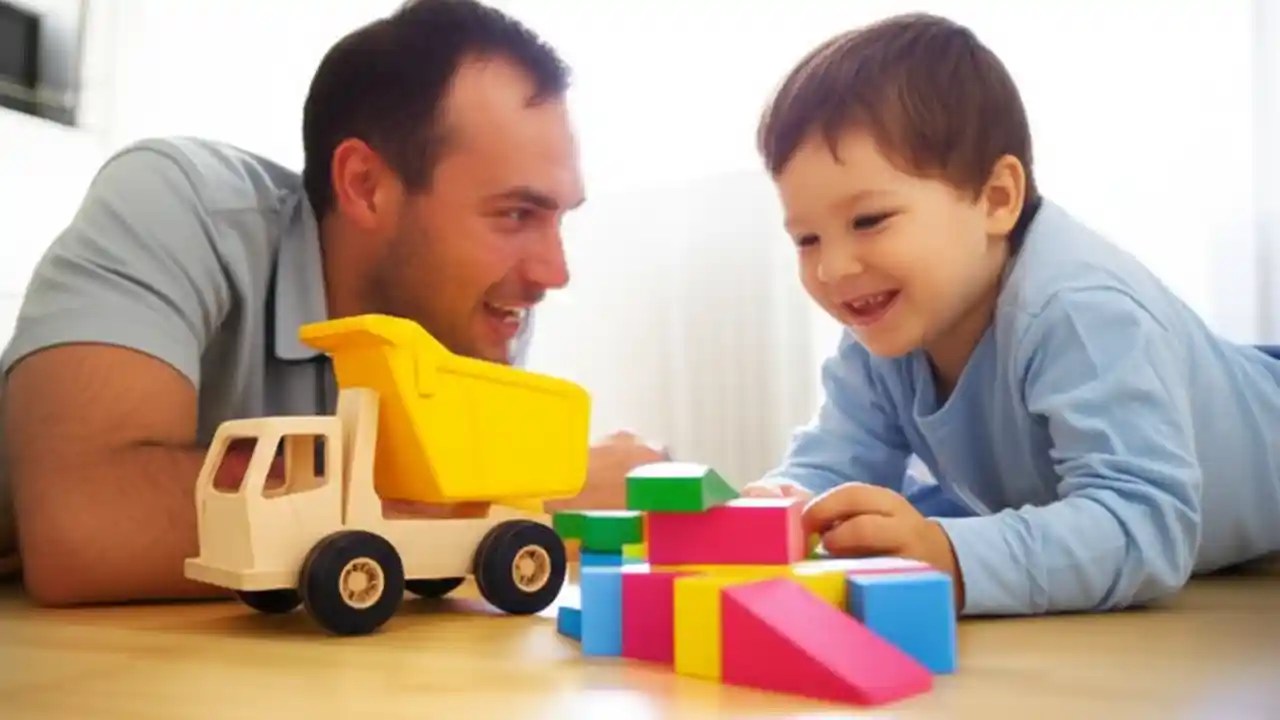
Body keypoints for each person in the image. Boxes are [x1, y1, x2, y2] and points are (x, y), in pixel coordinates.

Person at [0, 0, 666, 607]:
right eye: (516, 214)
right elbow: (84, 525)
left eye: (559, 219)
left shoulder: (474, 309)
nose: (553, 273)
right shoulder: (179, 207)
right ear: (366, 185)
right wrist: (533, 492)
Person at [741, 12, 1280, 616]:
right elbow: (835, 464)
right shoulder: (885, 330)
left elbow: (1145, 523)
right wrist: (778, 508)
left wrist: (948, 554)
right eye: (807, 239)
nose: (833, 268)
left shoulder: (1080, 312)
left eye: (870, 221)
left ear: (997, 199)